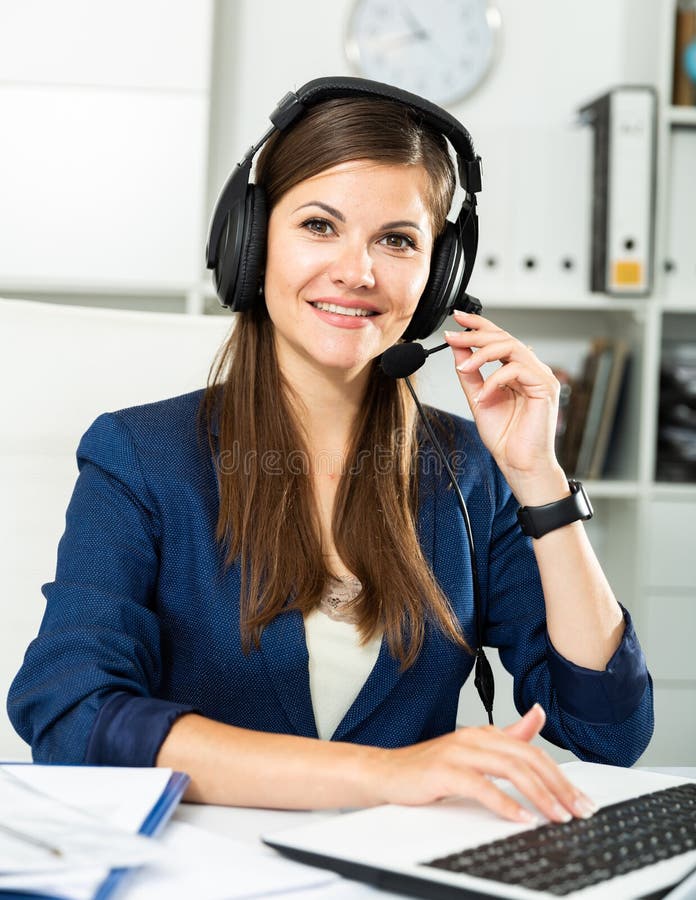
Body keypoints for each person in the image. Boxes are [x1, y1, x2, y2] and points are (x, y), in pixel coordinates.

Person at [8, 78, 653, 826]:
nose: (358, 271)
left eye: (398, 240)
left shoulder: (471, 472)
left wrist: (540, 480)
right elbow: (72, 716)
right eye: (320, 225)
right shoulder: (140, 458)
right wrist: (383, 774)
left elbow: (608, 731)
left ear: (440, 278)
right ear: (250, 244)